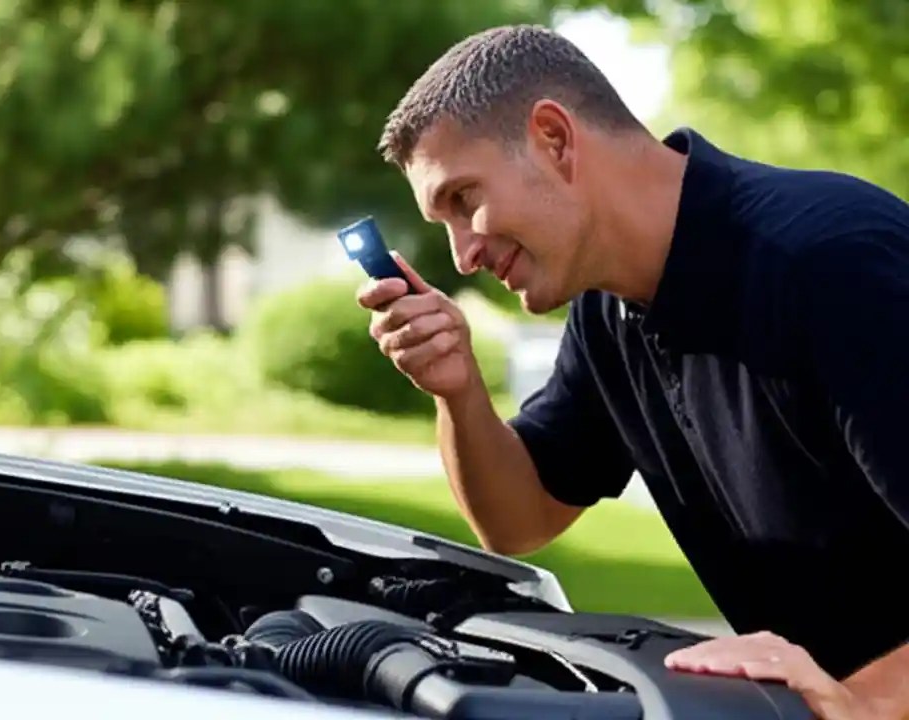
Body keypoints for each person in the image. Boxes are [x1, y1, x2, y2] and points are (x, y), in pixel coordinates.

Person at [357, 24, 909, 720]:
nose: (462, 254)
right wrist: (457, 393)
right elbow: (521, 519)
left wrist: (858, 703)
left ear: (554, 139)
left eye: (463, 200)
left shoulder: (836, 263)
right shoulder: (607, 313)